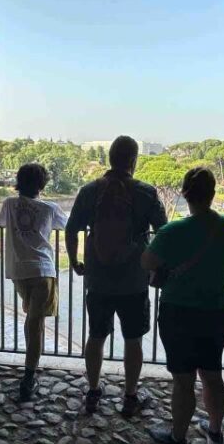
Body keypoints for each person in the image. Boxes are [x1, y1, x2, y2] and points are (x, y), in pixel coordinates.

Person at [141, 167, 224, 444]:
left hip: (179, 312)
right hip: (216, 310)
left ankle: (178, 438)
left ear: (185, 194)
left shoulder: (172, 231)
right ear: (213, 193)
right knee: (212, 374)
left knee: (183, 380)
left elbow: (146, 262)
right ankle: (215, 433)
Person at [65, 136, 166, 417]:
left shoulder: (89, 191)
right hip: (134, 280)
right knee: (133, 340)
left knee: (96, 336)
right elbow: (164, 231)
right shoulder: (146, 192)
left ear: (110, 158)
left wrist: (74, 261)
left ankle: (93, 391)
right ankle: (130, 396)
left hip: (98, 279)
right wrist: (155, 266)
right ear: (133, 161)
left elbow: (71, 229)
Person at [0, 163, 67, 402]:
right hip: (42, 269)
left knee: (31, 319)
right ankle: (29, 377)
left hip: (18, 270)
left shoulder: (9, 204)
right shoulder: (50, 208)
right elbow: (66, 225)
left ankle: (30, 365)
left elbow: (1, 222)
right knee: (36, 323)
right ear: (42, 184)